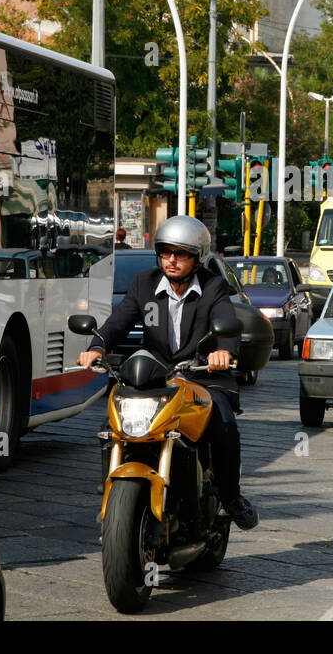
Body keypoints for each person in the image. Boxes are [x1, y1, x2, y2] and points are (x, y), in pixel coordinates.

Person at [77, 216, 258, 530]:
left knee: (224, 423)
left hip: (204, 374)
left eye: (182, 253)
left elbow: (226, 322)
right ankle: (114, 483)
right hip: (157, 375)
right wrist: (97, 346)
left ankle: (231, 496)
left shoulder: (214, 286)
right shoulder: (143, 283)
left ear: (198, 256)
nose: (172, 260)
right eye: (166, 252)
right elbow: (118, 322)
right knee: (113, 421)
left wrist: (224, 351)